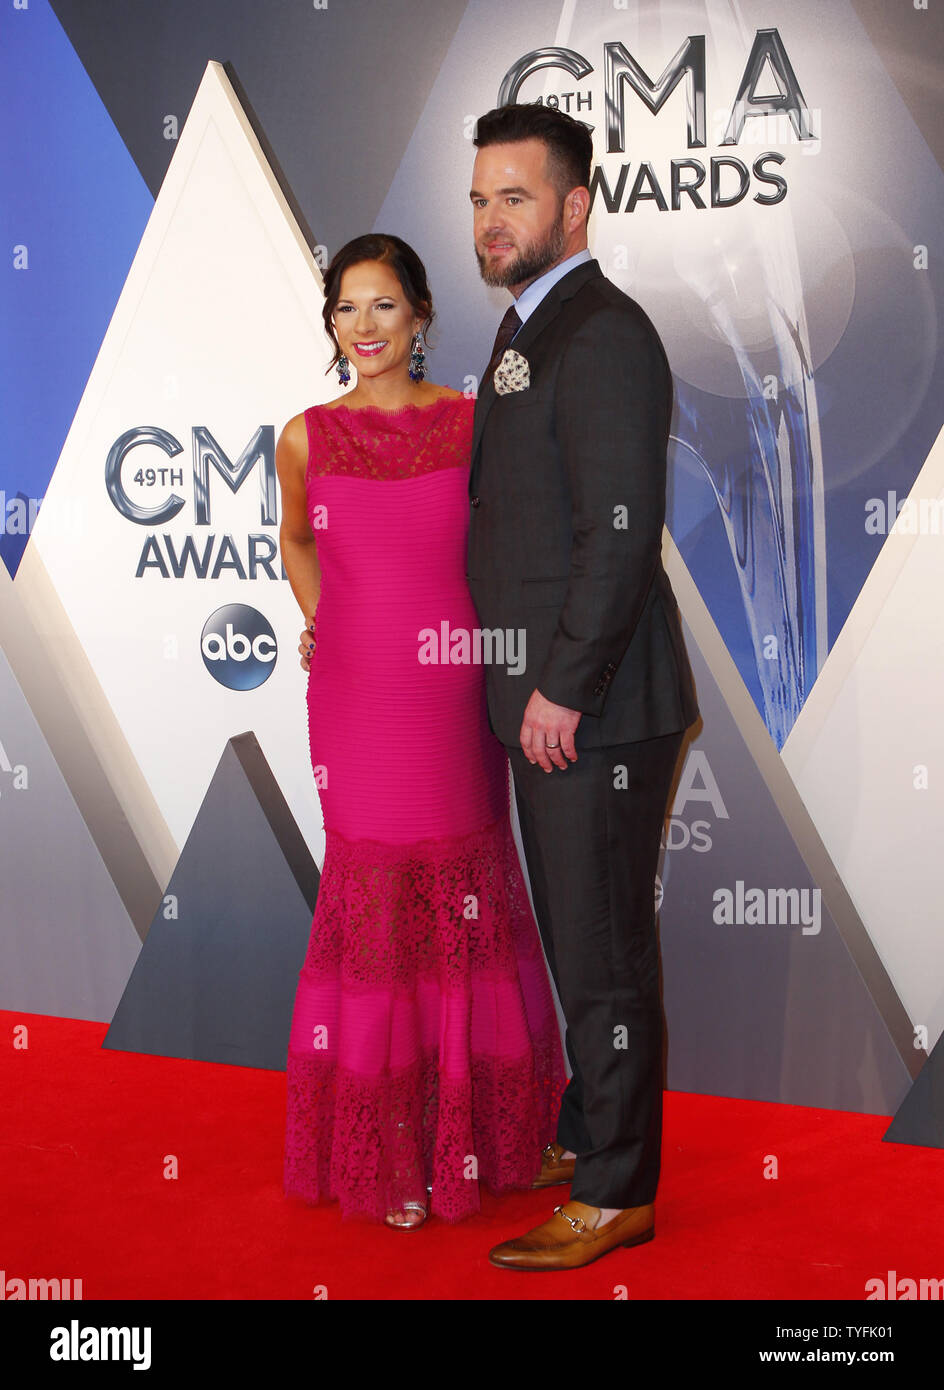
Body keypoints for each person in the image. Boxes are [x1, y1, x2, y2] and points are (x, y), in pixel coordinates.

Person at [275, 233, 565, 1230]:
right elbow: (294, 538)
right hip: (354, 701)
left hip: (452, 691)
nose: (362, 327)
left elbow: (520, 543)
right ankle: (394, 1151)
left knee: (465, 892)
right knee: (380, 897)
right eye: (345, 309)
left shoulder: (472, 423)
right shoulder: (304, 436)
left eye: (383, 307)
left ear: (420, 319)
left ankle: (477, 1139)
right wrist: (323, 620)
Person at [466, 104, 699, 1270]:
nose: (489, 219)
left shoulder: (600, 332)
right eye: (476, 198)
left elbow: (619, 535)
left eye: (514, 196)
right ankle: (587, 1129)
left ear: (573, 206)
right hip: (550, 703)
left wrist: (557, 688)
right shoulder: (529, 332)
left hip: (592, 706)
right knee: (576, 937)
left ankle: (616, 1192)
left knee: (601, 947)